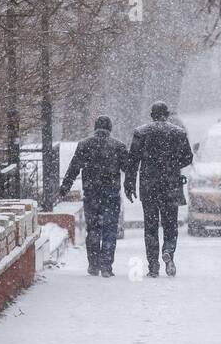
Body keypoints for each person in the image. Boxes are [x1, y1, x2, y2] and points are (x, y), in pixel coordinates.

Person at [126, 101, 194, 277]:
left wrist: (130, 184)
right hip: (171, 185)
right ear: (167, 114)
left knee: (150, 226)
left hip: (149, 185)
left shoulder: (141, 132)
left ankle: (153, 266)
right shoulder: (178, 133)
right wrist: (172, 165)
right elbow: (188, 157)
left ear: (151, 115)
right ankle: (169, 251)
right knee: (170, 224)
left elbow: (132, 161)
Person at [59, 115, 129, 277]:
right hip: (111, 193)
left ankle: (93, 264)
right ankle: (106, 266)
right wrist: (129, 185)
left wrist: (65, 187)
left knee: (93, 229)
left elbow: (74, 168)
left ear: (95, 127)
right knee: (110, 229)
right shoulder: (118, 146)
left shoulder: (84, 145)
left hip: (91, 193)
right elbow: (128, 169)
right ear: (110, 128)